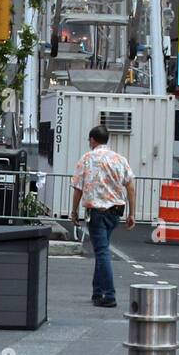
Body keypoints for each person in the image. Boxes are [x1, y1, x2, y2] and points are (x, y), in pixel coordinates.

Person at [71, 125, 137, 308]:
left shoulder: (87, 159)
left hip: (97, 211)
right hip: (115, 211)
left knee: (101, 252)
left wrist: (74, 210)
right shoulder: (119, 159)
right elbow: (130, 186)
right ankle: (97, 290)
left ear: (92, 140)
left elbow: (78, 188)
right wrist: (132, 212)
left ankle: (109, 294)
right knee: (103, 249)